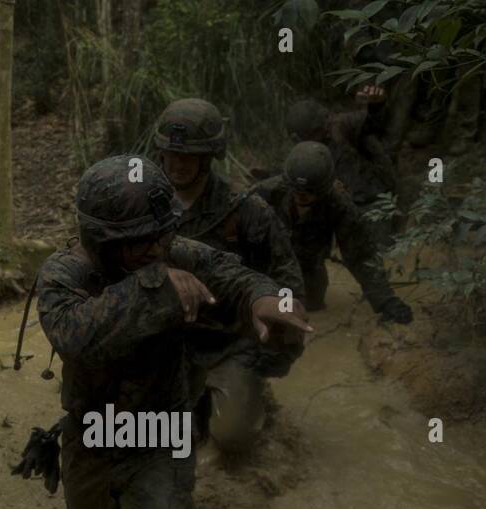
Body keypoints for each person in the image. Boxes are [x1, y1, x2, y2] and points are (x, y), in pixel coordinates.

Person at [35, 156, 311, 509]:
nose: (156, 249)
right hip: (92, 434)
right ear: (102, 241)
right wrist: (155, 286)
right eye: (140, 243)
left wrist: (268, 300)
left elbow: (234, 276)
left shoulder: (171, 251)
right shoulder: (64, 276)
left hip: (161, 433)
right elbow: (77, 336)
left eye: (162, 236)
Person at [152, 97, 307, 454]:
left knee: (234, 439)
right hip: (163, 341)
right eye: (171, 154)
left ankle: (247, 393)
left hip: (229, 345)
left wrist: (265, 356)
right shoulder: (143, 203)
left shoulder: (246, 209)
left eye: (188, 155)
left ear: (208, 157)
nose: (177, 163)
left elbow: (288, 288)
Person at [252, 141, 412, 324]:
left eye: (310, 191)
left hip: (308, 269)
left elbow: (360, 255)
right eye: (297, 190)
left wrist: (385, 300)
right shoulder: (266, 193)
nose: (302, 195)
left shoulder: (339, 205)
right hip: (267, 264)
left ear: (324, 188)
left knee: (309, 305)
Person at [285, 92, 399, 248]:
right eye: (318, 129)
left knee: (378, 250)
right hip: (340, 204)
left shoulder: (340, 126)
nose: (326, 128)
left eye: (325, 122)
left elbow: (373, 122)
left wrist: (376, 106)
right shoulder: (305, 153)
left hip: (370, 198)